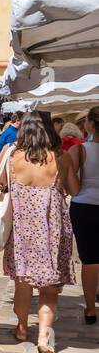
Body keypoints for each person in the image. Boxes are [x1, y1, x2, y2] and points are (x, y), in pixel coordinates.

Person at [3, 112, 80, 353]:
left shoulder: (12, 157)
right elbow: (74, 190)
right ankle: (44, 336)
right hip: (53, 230)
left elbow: (2, 186)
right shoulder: (62, 157)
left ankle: (23, 327)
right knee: (49, 288)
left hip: (22, 230)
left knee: (22, 283)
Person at [67, 105, 99, 326]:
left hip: (85, 206)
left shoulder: (79, 150)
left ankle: (89, 308)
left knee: (89, 260)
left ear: (90, 124)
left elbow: (73, 187)